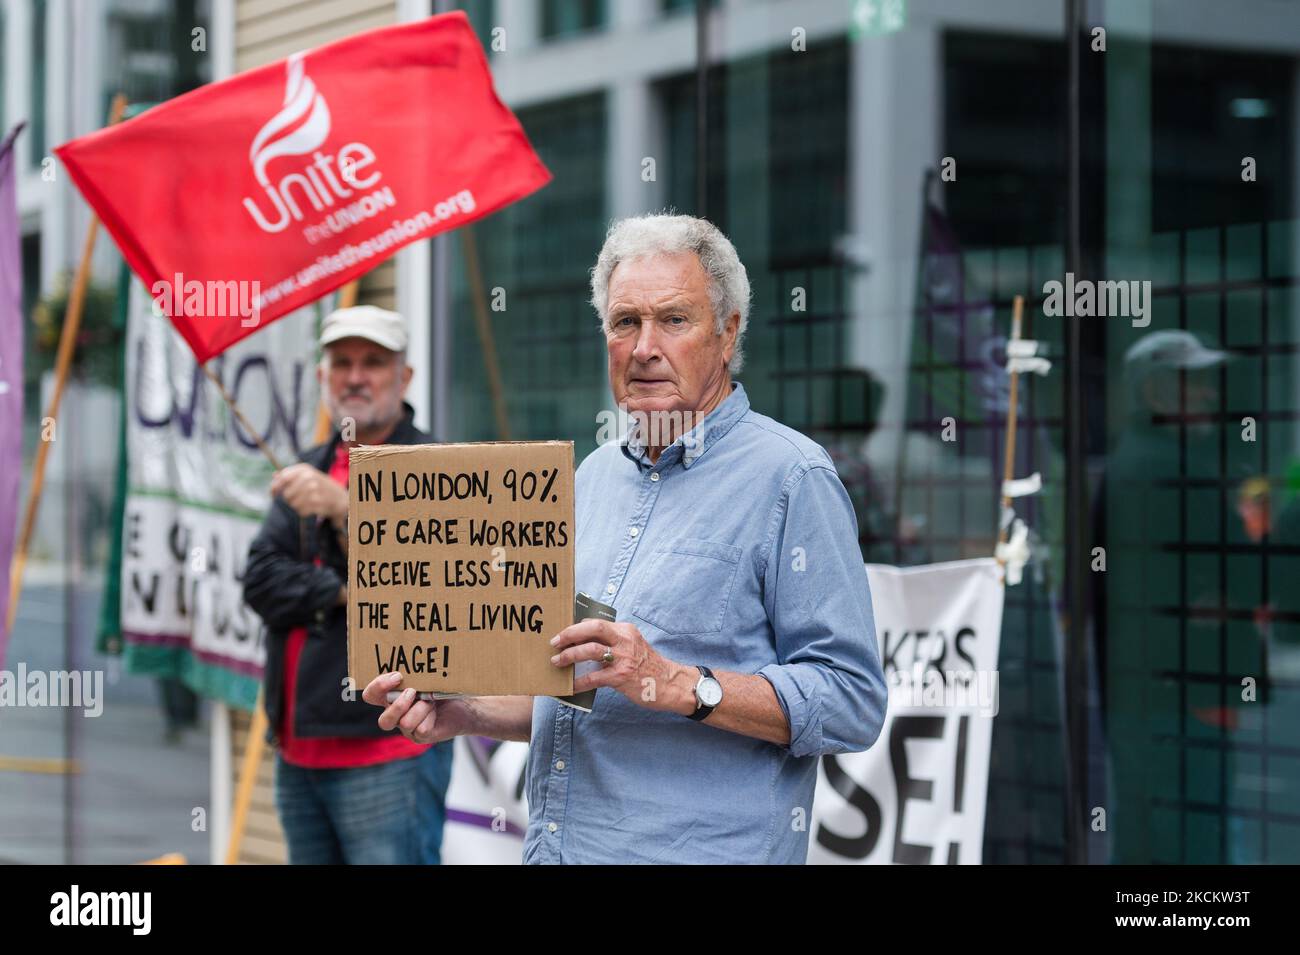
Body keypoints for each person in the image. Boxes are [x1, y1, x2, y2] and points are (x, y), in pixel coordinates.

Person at [365, 214, 887, 864]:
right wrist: (466, 712)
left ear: (727, 333)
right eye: (624, 322)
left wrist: (676, 682)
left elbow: (852, 700)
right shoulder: (593, 474)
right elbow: (582, 692)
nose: (643, 347)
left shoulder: (792, 478)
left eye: (673, 319)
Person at [244, 305, 454, 864]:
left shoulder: (437, 467)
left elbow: (442, 584)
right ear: (322, 378)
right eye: (341, 363)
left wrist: (347, 508)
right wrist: (344, 592)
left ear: (404, 377)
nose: (355, 377)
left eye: (373, 363)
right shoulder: (309, 464)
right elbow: (260, 581)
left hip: (390, 750)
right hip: (299, 751)